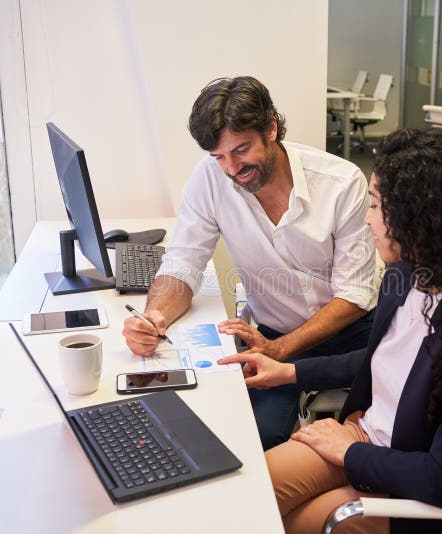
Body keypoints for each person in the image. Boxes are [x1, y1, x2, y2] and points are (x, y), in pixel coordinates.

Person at [219, 128, 442, 533]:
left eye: (376, 205)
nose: (367, 219)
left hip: (413, 489)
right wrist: (288, 372)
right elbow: (381, 359)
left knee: (278, 523)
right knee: (239, 497)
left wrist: (351, 451)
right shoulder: (407, 277)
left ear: (421, 218)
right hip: (367, 439)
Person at [122, 76, 377, 450]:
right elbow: (183, 264)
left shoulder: (341, 182)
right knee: (253, 435)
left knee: (386, 428)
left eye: (241, 150)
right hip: (273, 335)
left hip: (353, 332)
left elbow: (354, 296)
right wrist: (155, 316)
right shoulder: (210, 179)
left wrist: (282, 349)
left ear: (271, 128)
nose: (230, 168)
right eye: (219, 157)